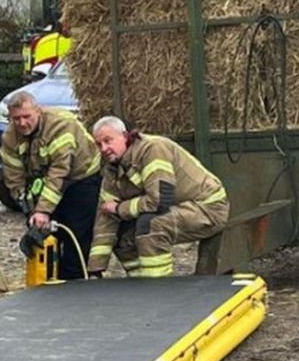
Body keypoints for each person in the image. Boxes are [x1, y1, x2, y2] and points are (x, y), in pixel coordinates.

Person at [87, 116, 228, 278]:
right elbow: (105, 218)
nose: (104, 148)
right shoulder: (112, 170)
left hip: (208, 207)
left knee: (151, 225)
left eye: (108, 141)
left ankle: (159, 286)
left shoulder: (152, 149)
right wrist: (96, 269)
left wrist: (119, 208)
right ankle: (139, 281)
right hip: (177, 208)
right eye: (99, 144)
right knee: (123, 235)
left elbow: (160, 200)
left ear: (125, 136)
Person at [0, 91, 101, 280]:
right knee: (43, 232)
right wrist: (30, 211)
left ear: (38, 111)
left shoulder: (60, 125)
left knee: (75, 232)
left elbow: (60, 171)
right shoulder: (10, 137)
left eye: (26, 116)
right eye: (16, 119)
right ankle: (48, 278)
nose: (22, 123)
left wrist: (43, 210)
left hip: (81, 177)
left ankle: (76, 280)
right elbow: (14, 179)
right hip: (46, 179)